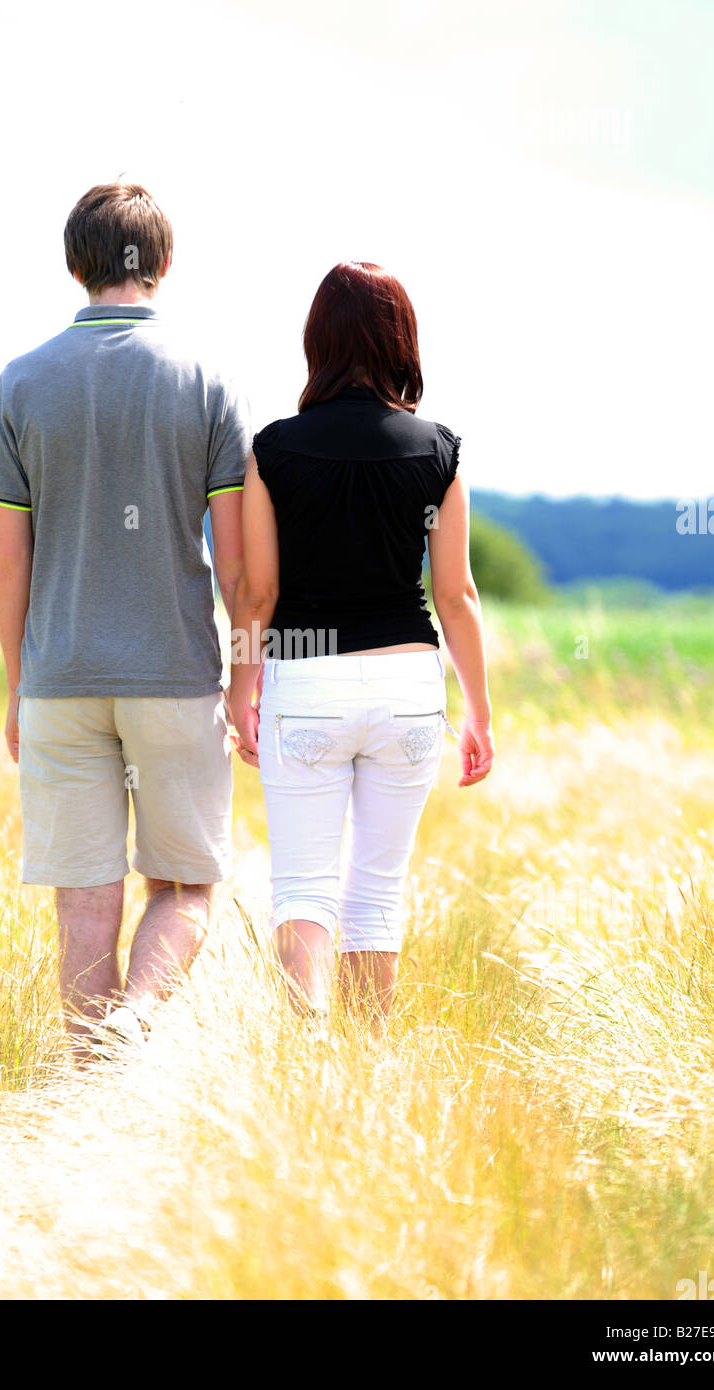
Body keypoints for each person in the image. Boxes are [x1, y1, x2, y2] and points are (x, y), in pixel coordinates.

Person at [0, 182, 250, 1061]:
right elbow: (240, 562)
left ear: (75, 265)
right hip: (175, 675)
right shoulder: (207, 378)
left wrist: (18, 683)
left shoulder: (22, 380)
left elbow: (8, 559)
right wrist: (244, 676)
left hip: (60, 677)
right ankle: (140, 1012)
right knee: (185, 885)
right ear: (163, 266)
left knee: (84, 896)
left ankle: (85, 1091)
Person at [229, 262, 494, 1026]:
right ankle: (365, 1077)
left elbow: (257, 593)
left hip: (304, 685)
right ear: (400, 342)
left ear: (318, 341)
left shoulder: (274, 452)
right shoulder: (437, 451)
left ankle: (305, 1063)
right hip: (408, 688)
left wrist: (239, 692)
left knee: (303, 889)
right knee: (376, 891)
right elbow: (455, 596)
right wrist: (477, 711)